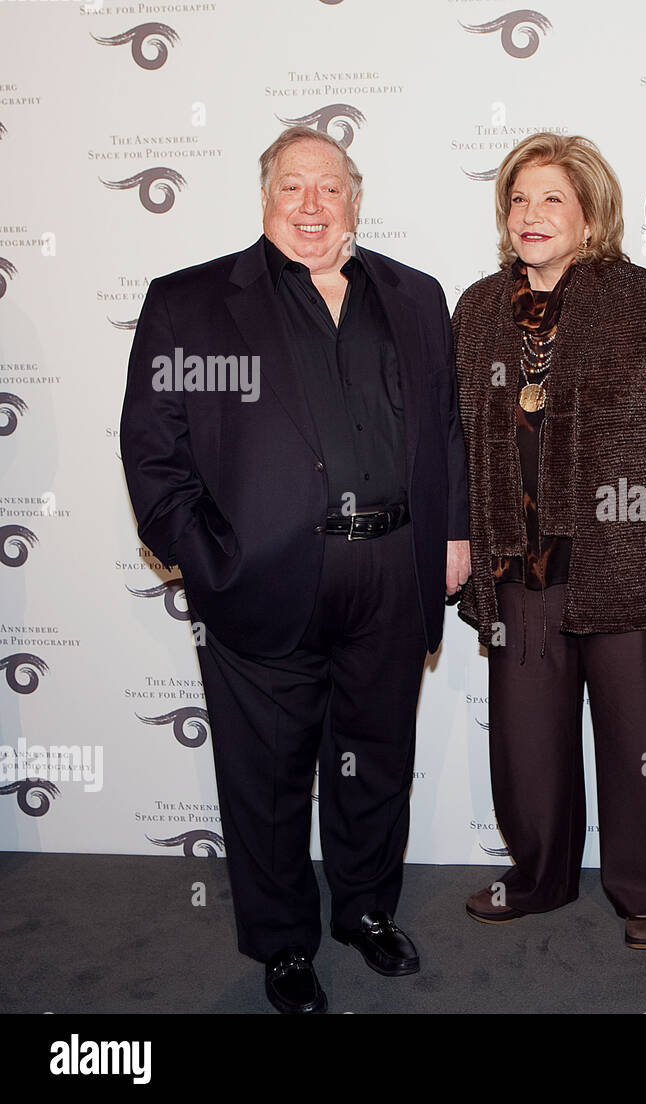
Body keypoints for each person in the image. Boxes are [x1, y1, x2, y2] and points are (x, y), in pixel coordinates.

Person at [120, 125, 470, 1014]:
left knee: (376, 757)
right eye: (292, 188)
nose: (312, 206)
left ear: (357, 199)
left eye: (330, 188)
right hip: (264, 580)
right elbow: (153, 456)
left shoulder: (416, 297)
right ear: (265, 198)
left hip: (394, 568)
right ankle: (282, 942)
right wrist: (210, 561)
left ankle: (364, 911)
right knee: (266, 774)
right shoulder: (191, 303)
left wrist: (453, 534)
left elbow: (447, 431)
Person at [454, 132, 646, 950]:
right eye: (519, 199)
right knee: (528, 742)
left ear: (590, 215)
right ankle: (537, 876)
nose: (531, 216)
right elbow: (456, 439)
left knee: (639, 735)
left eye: (552, 200)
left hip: (625, 558)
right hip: (518, 564)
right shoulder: (475, 309)